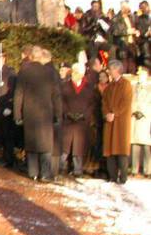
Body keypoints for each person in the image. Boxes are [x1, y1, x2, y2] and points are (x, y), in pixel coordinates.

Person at [14, 45, 61, 180]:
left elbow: (19, 94)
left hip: (29, 112)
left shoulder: (24, 71)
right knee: (45, 144)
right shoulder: (50, 72)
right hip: (46, 113)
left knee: (31, 142)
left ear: (31, 57)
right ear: (41, 57)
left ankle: (32, 172)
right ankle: (45, 173)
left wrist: (17, 114)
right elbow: (56, 95)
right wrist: (58, 114)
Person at [58, 59, 98, 177]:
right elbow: (61, 102)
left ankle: (77, 169)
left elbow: (93, 104)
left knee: (78, 147)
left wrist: (84, 115)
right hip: (68, 120)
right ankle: (60, 167)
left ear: (82, 74)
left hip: (82, 122)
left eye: (76, 72)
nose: (74, 74)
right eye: (73, 72)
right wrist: (67, 113)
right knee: (65, 146)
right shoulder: (65, 86)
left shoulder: (89, 88)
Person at [101, 60, 134, 184]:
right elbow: (104, 103)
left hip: (121, 122)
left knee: (121, 149)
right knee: (110, 149)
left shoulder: (126, 84)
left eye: (111, 69)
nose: (109, 71)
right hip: (110, 121)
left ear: (117, 70)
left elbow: (126, 103)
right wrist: (106, 114)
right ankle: (112, 176)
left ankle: (123, 176)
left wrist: (115, 113)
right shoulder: (109, 87)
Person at [131, 68, 151, 176]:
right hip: (135, 117)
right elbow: (131, 101)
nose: (140, 77)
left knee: (146, 145)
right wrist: (134, 111)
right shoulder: (134, 87)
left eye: (142, 75)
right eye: (139, 75)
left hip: (146, 118)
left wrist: (144, 112)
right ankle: (134, 169)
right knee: (135, 144)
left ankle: (148, 169)